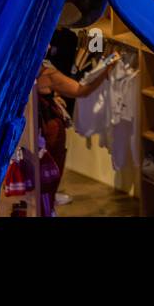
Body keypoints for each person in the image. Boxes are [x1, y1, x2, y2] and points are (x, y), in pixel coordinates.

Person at [35, 48, 114, 205]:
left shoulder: (20, 70)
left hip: (33, 132)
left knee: (37, 176)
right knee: (51, 171)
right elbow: (81, 90)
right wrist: (104, 72)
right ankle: (48, 204)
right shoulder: (47, 74)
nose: (50, 47)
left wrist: (53, 96)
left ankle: (43, 203)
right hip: (50, 130)